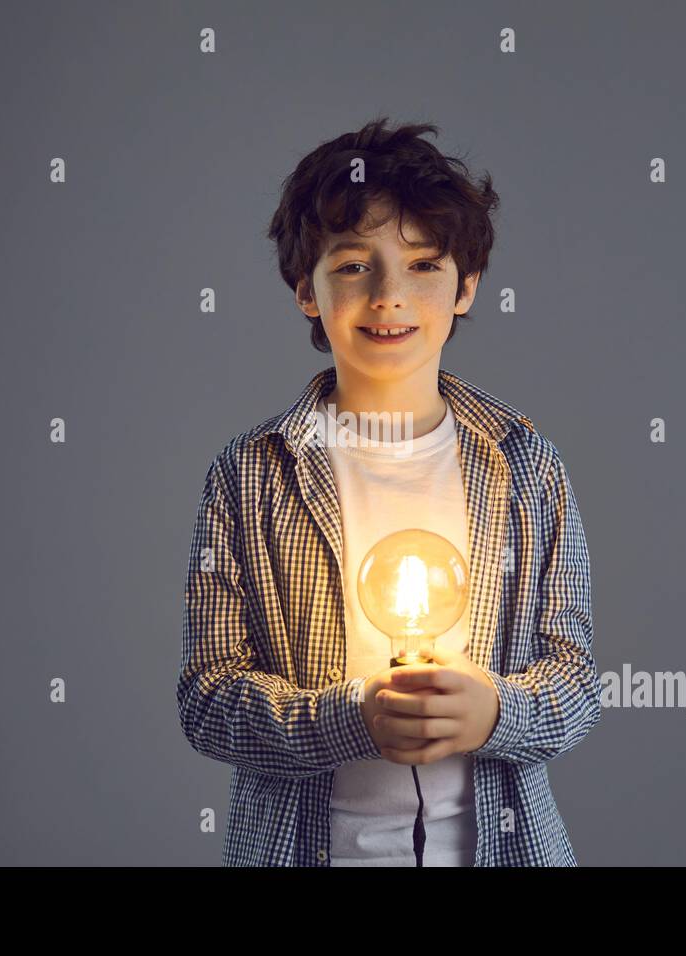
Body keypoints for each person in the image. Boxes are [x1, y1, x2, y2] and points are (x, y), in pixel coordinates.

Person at [177, 117, 601, 866]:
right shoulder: (250, 474)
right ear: (305, 289)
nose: (388, 296)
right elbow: (209, 700)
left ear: (466, 286)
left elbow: (575, 682)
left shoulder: (527, 468)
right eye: (352, 267)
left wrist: (496, 711)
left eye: (424, 266)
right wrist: (351, 718)